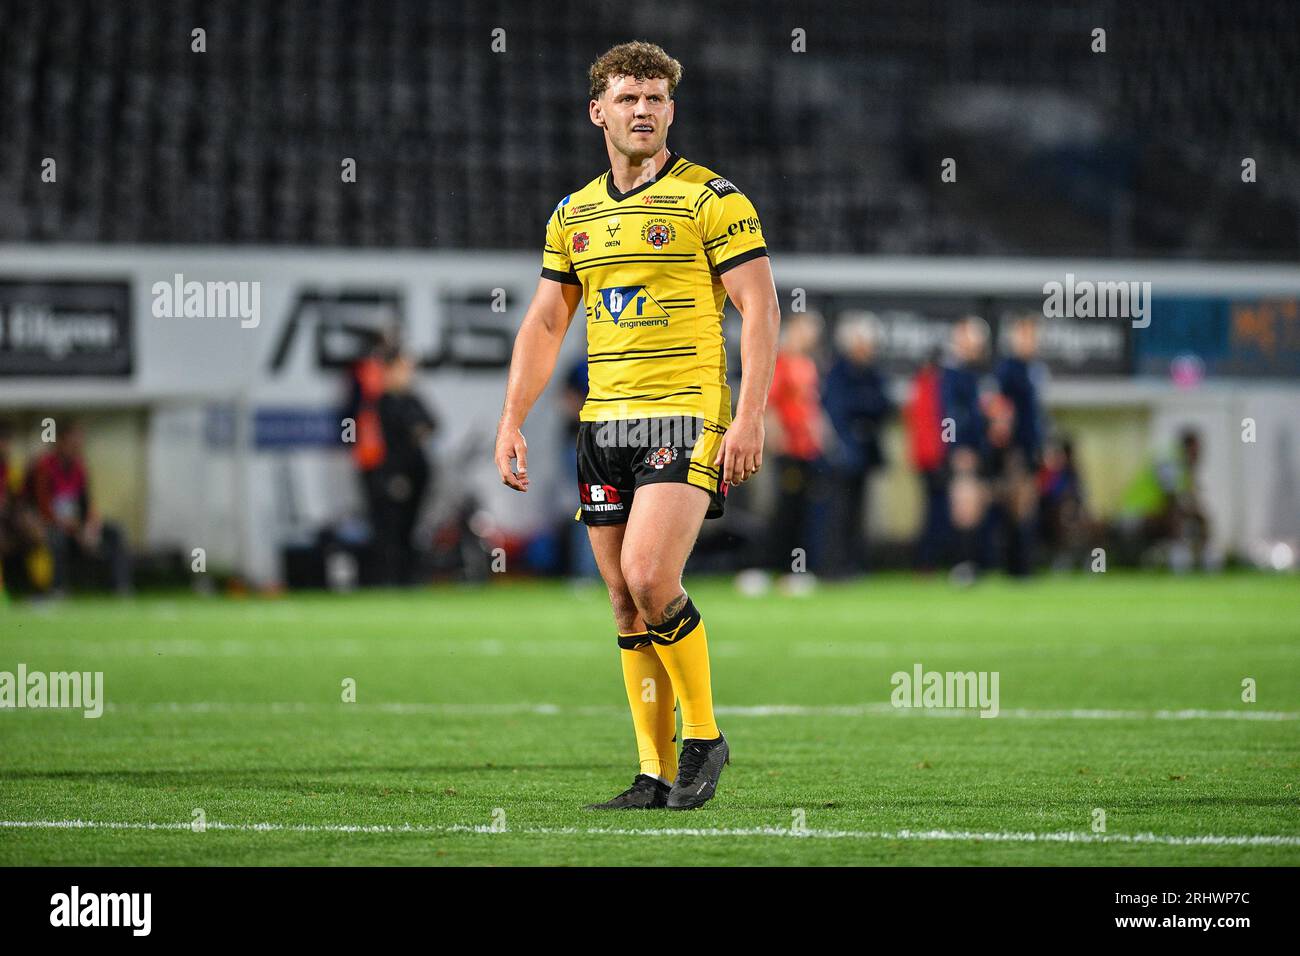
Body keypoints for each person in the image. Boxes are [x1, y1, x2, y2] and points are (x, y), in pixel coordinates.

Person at [493, 42, 780, 811]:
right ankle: (652, 774)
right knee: (624, 602)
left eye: (655, 99)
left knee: (654, 579)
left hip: (686, 413)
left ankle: (705, 739)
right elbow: (547, 322)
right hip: (603, 423)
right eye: (628, 99)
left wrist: (749, 415)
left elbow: (760, 307)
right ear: (599, 112)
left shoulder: (712, 199)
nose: (643, 110)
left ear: (671, 111)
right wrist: (512, 419)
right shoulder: (573, 214)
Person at [822, 313, 893, 574]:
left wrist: (864, 408)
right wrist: (864, 408)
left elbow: (883, 405)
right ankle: (833, 566)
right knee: (838, 511)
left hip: (864, 454)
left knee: (858, 512)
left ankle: (854, 564)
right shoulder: (838, 371)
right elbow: (840, 408)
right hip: (841, 453)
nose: (869, 349)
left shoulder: (871, 372)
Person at [26, 421, 131, 595]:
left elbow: (87, 504)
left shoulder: (79, 467)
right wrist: (73, 528)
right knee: (56, 538)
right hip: (51, 524)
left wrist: (91, 526)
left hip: (76, 525)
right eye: (72, 441)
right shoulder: (43, 467)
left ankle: (121, 587)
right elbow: (42, 507)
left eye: (79, 442)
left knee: (115, 531)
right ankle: (57, 588)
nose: (77, 446)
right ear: (59, 441)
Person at [767, 311, 827, 579]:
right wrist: (777, 440)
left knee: (803, 509)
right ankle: (774, 566)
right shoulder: (780, 361)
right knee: (785, 508)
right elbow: (771, 405)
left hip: (807, 450)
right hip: (788, 449)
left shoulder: (808, 364)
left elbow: (811, 407)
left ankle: (796, 568)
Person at [371, 348, 438, 585]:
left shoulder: (412, 398)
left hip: (418, 470)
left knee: (413, 527)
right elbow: (401, 432)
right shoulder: (385, 401)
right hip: (396, 472)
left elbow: (432, 424)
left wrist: (417, 430)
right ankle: (391, 578)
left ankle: (411, 577)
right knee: (393, 528)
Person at [993, 315, 1047, 576]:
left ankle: (1024, 564)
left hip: (1031, 445)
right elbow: (1001, 411)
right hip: (1015, 448)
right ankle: (1016, 567)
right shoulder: (1008, 370)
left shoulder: (1034, 370)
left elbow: (1038, 413)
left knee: (1028, 505)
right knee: (1017, 504)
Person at [941, 316, 991, 580]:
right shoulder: (951, 374)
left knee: (977, 506)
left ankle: (976, 563)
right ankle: (962, 564)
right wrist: (956, 447)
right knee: (964, 507)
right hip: (962, 452)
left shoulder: (981, 374)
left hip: (981, 450)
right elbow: (949, 415)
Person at [1118, 428, 1210, 571]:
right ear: (1187, 447)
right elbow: (1171, 499)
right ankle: (1179, 559)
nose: (1198, 455)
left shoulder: (1184, 468)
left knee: (1198, 517)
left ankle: (1204, 558)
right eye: (1196, 450)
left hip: (1150, 512)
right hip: (1133, 514)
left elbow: (1190, 500)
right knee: (1176, 516)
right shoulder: (1168, 460)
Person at [904, 348, 948, 570]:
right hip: (932, 460)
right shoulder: (928, 386)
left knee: (935, 511)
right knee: (935, 512)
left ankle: (928, 561)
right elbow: (928, 428)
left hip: (927, 458)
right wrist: (938, 457)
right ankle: (926, 562)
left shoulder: (920, 385)